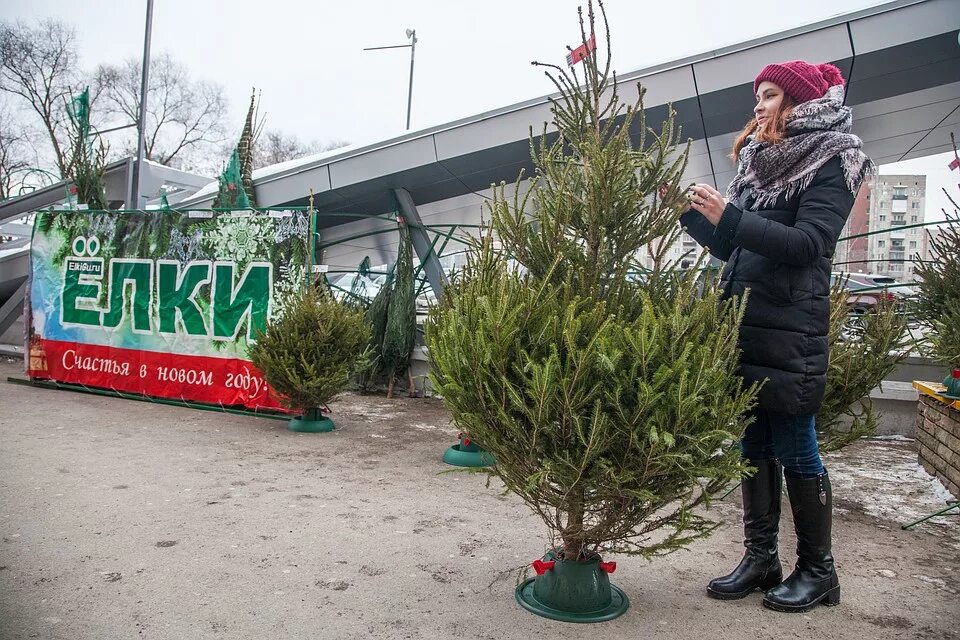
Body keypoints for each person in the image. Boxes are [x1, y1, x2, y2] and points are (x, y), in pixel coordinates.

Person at [679, 60, 873, 613]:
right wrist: (696, 217)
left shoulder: (831, 157)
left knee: (796, 447)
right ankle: (762, 559)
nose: (759, 105)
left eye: (769, 95)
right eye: (758, 96)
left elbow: (809, 243)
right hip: (746, 327)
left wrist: (732, 218)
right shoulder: (758, 164)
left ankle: (819, 572)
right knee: (753, 446)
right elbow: (738, 249)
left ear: (798, 101)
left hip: (791, 334)